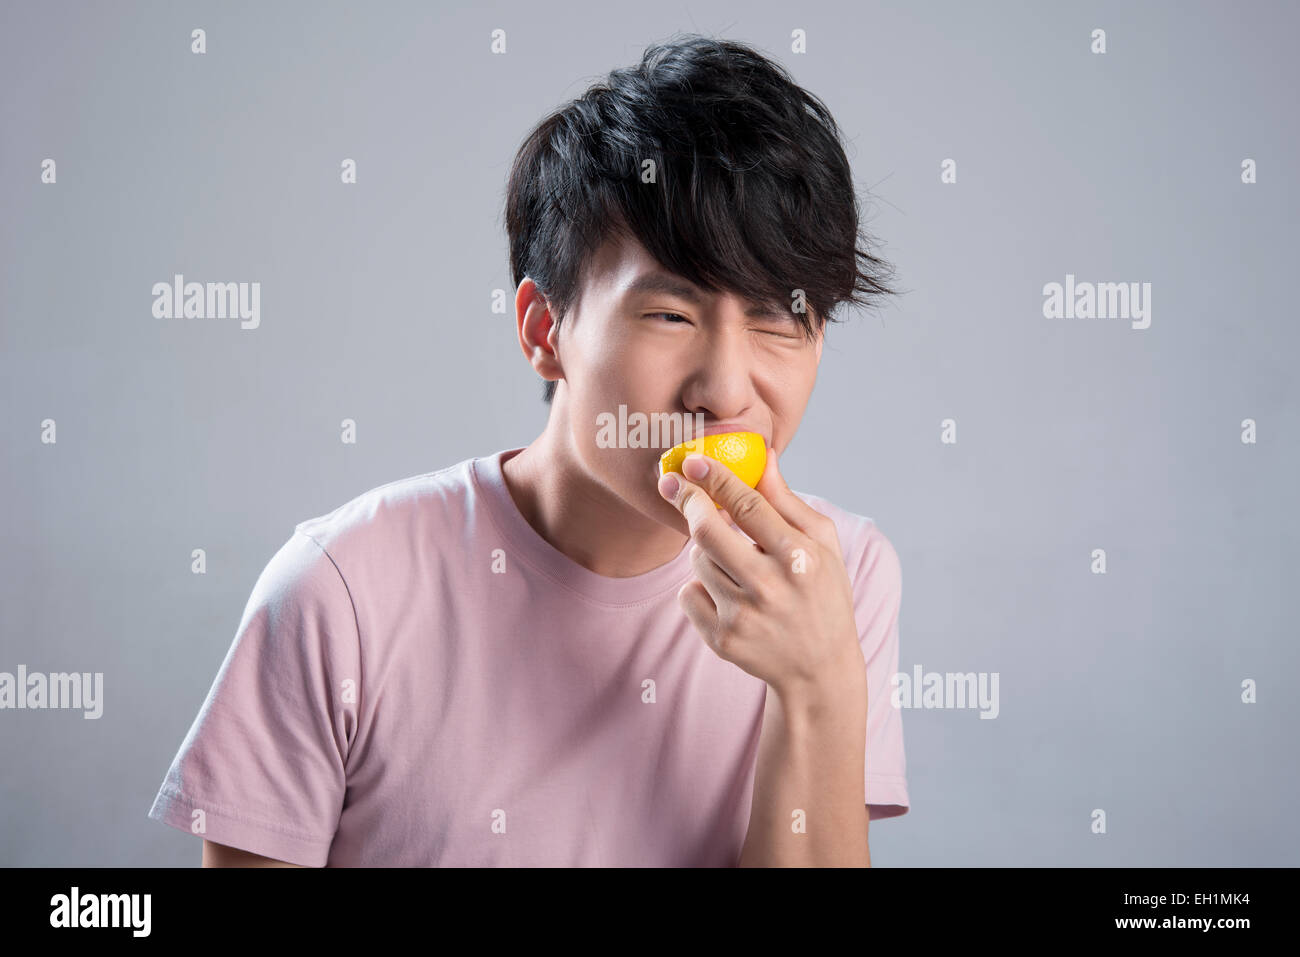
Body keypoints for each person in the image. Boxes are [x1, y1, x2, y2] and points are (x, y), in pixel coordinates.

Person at [148, 32, 909, 867]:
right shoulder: (342, 591)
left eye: (776, 318)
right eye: (672, 315)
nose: (726, 392)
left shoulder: (843, 574)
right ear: (545, 331)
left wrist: (818, 685)